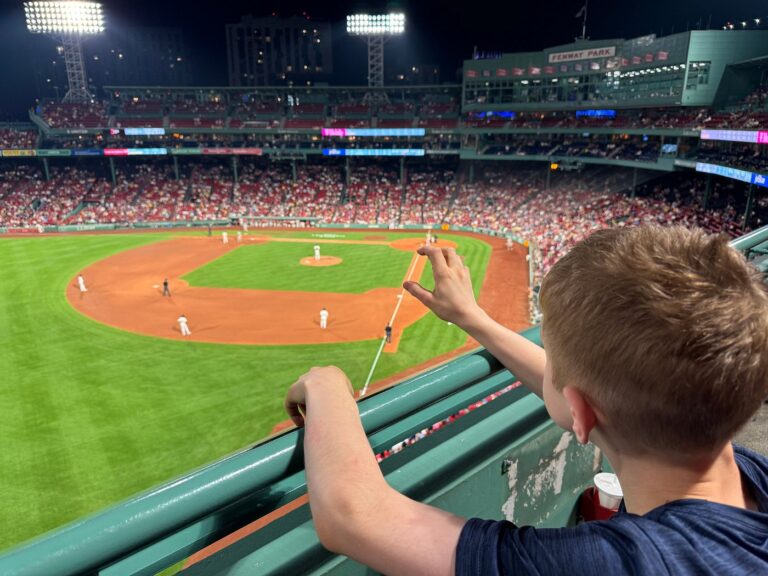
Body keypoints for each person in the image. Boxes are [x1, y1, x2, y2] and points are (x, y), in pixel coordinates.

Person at [284, 226, 768, 575]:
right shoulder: (741, 470)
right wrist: (473, 318)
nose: (547, 365)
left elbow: (353, 517)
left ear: (580, 414)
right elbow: (599, 391)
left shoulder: (620, 563)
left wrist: (328, 385)